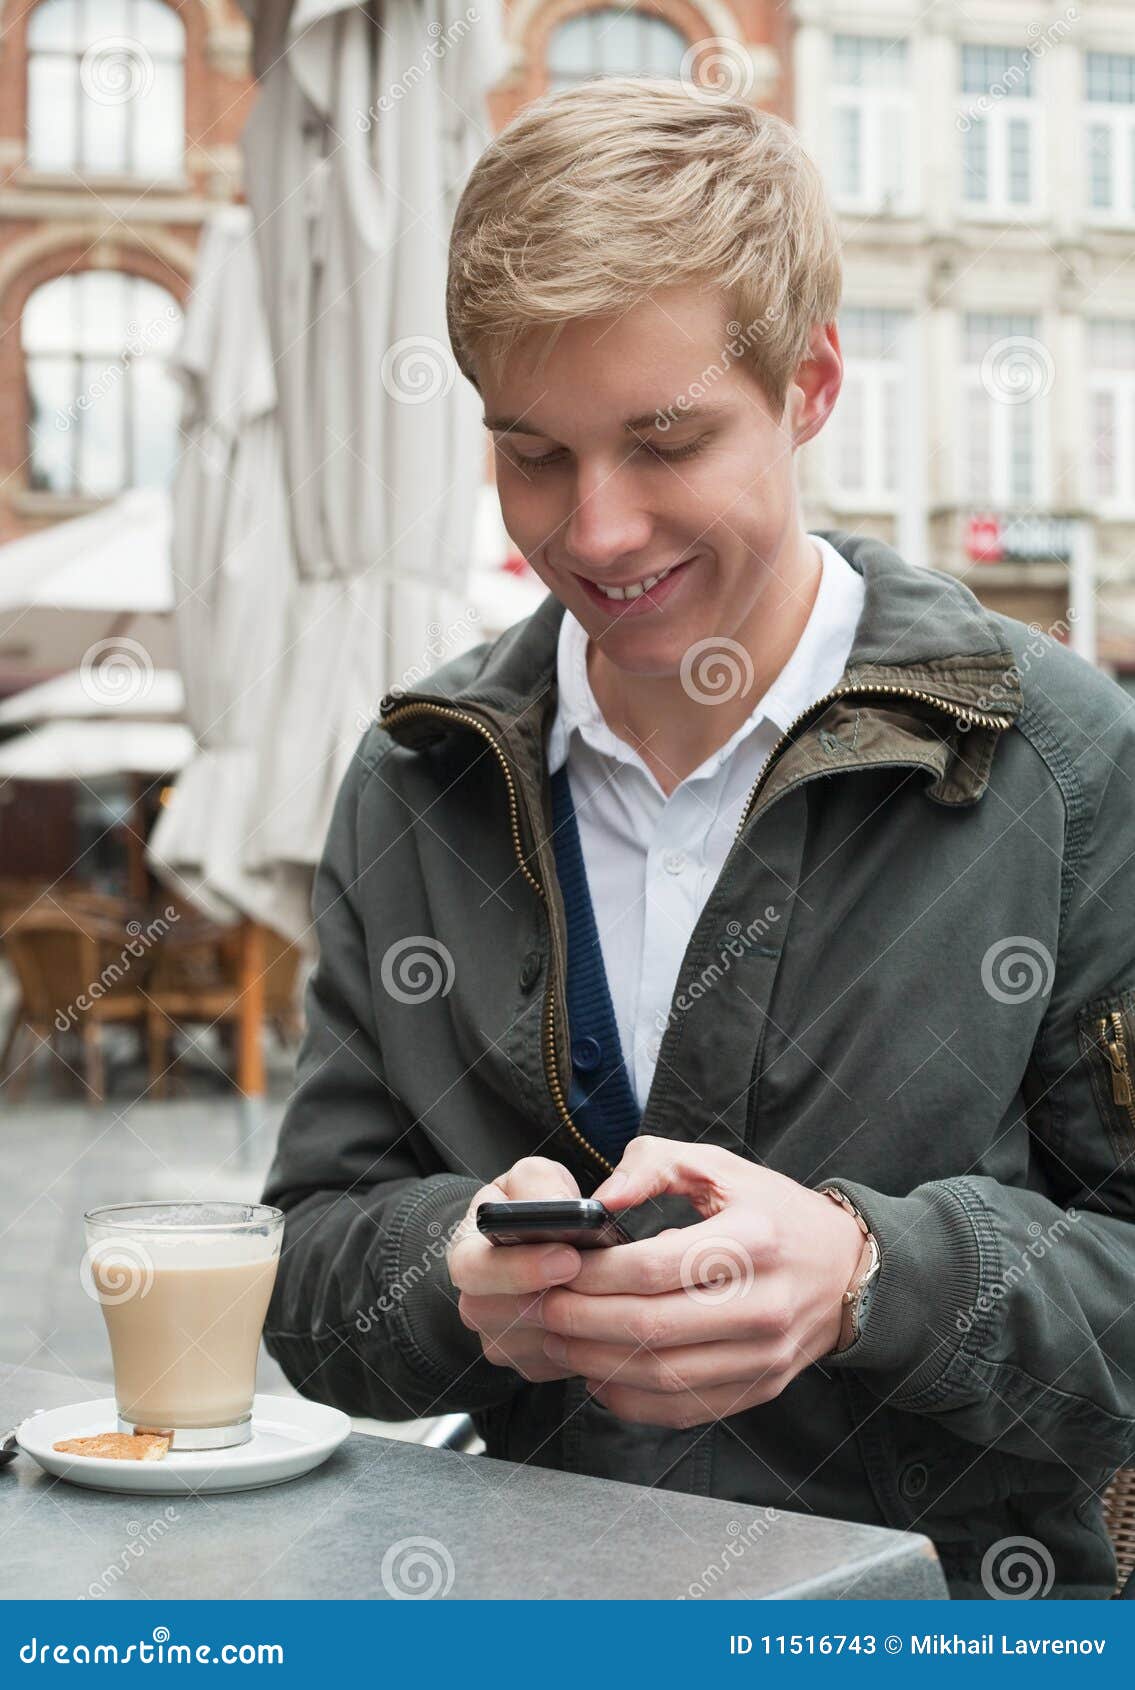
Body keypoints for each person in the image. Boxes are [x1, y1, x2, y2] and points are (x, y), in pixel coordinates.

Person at [261, 77, 1135, 1600]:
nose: (595, 531)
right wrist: (451, 1270)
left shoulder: (1057, 761)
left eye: (665, 442)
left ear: (811, 385)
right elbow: (306, 1281)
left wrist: (872, 1277)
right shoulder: (416, 777)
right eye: (534, 454)